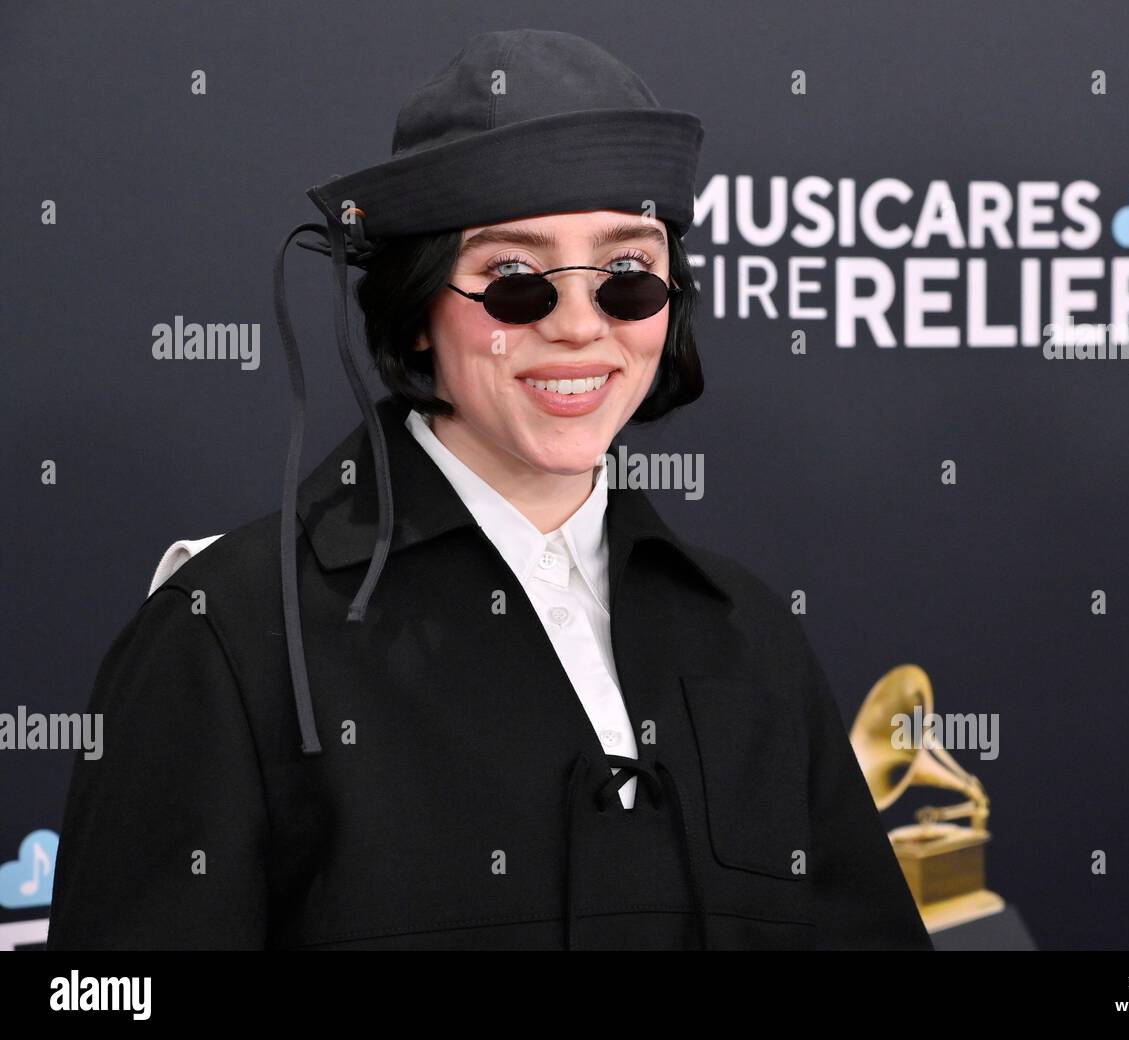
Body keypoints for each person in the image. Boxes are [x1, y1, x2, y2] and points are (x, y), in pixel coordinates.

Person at [45, 28, 933, 951]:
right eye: (515, 281)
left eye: (628, 276)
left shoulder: (747, 632)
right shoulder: (228, 636)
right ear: (419, 309)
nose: (582, 329)